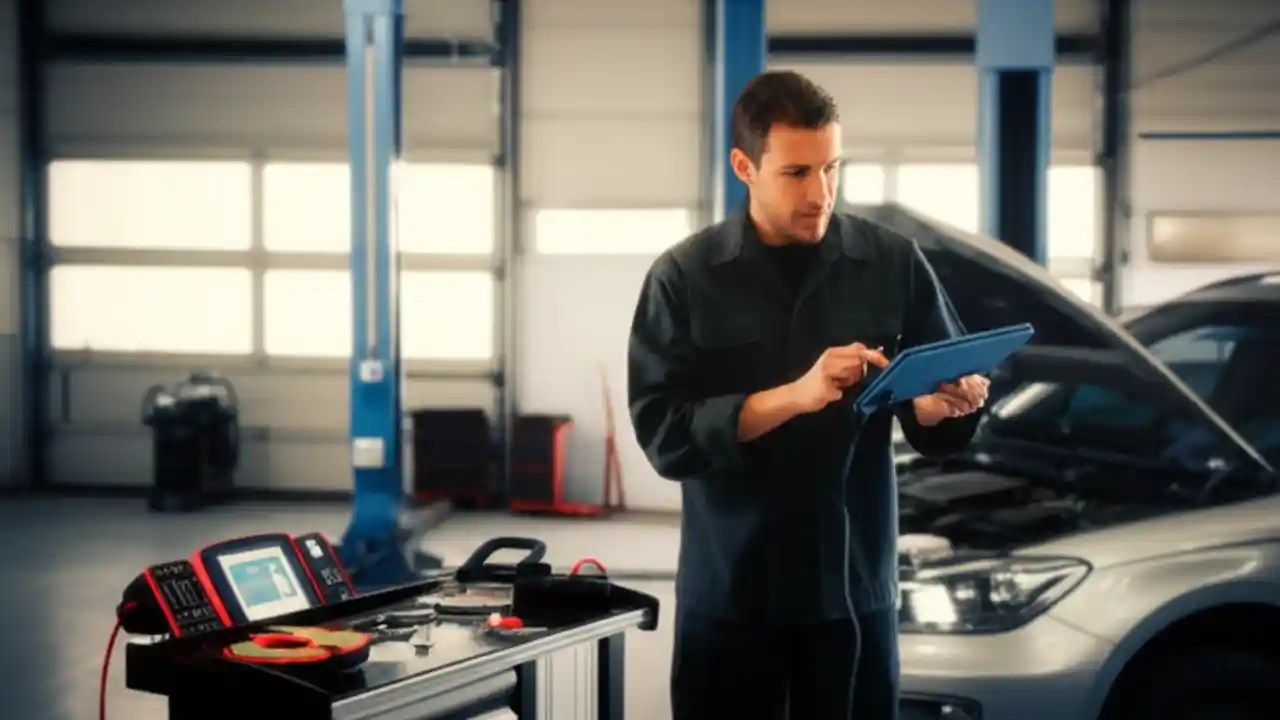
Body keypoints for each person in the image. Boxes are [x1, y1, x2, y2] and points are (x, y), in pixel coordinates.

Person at [627, 70, 990, 719]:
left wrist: (940, 410)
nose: (820, 193)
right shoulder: (684, 277)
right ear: (745, 166)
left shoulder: (892, 261)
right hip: (734, 593)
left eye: (832, 169)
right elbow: (665, 436)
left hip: (853, 592)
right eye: (797, 173)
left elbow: (937, 409)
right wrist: (795, 396)